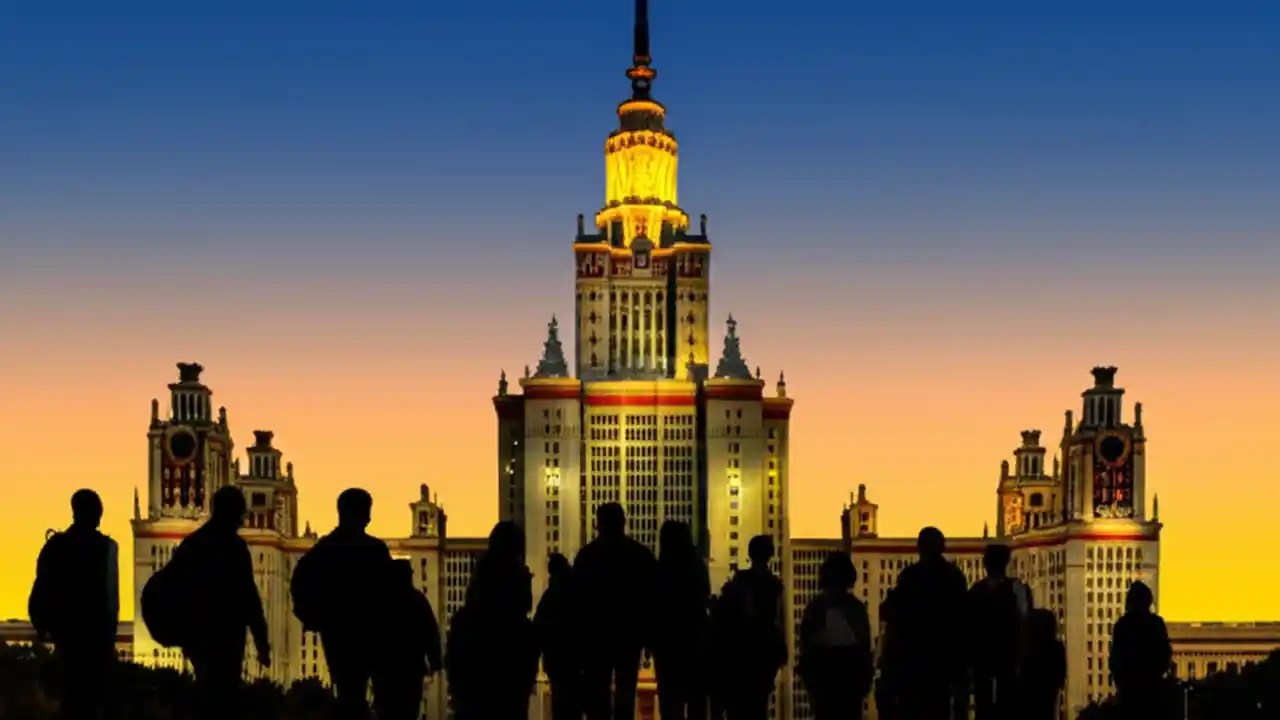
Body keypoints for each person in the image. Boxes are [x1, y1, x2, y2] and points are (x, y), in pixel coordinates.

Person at [290, 488, 393, 720]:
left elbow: (300, 582)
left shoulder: (325, 550)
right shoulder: (374, 551)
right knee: (356, 692)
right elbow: (391, 593)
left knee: (348, 689)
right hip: (365, 631)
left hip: (338, 631)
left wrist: (311, 616)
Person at [171, 486, 270, 720]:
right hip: (226, 638)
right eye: (239, 514)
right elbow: (250, 599)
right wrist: (262, 643)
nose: (241, 519)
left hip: (199, 640)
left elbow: (177, 591)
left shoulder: (192, 545)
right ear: (231, 513)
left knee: (207, 694)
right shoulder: (234, 548)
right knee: (224, 699)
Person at [28, 489, 120, 720]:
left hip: (68, 643)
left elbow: (40, 592)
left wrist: (44, 628)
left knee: (72, 704)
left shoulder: (57, 546)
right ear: (96, 513)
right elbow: (111, 604)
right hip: (96, 645)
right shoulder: (106, 548)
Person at [573, 503, 658, 720]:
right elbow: (651, 598)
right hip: (629, 635)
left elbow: (577, 599)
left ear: (598, 524)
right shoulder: (640, 555)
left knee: (598, 694)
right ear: (624, 523)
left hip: (596, 636)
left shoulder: (587, 556)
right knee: (625, 692)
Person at [447, 521, 538, 720]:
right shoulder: (518, 578)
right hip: (508, 692)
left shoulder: (469, 613)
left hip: (474, 694)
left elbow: (454, 661)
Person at [889, 527, 968, 720]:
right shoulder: (953, 577)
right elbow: (962, 620)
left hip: (914, 661)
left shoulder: (909, 577)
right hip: (942, 660)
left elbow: (896, 619)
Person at [714, 535, 786, 720]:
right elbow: (779, 622)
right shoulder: (774, 585)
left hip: (741, 656)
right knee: (757, 707)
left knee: (740, 708)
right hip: (763, 656)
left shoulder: (740, 582)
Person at [798, 553, 873, 720]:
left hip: (829, 678)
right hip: (843, 679)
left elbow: (806, 647)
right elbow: (864, 647)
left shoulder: (816, 608)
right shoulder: (854, 608)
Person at [653, 520, 711, 720]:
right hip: (695, 641)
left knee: (670, 703)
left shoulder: (661, 568)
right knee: (697, 700)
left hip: (667, 644)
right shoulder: (696, 565)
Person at [371, 559, 442, 720]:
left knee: (386, 713)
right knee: (408, 712)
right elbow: (431, 632)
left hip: (384, 671)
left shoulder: (380, 603)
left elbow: (369, 636)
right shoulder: (417, 601)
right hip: (410, 670)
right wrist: (435, 662)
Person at [967, 543, 1030, 720]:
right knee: (1004, 708)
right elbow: (1024, 622)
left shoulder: (976, 591)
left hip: (990, 660)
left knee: (988, 708)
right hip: (1003, 659)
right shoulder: (1016, 588)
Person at [1110, 581, 1172, 719]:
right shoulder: (1156, 624)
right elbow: (1165, 654)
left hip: (1131, 692)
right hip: (1151, 691)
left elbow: (1115, 659)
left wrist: (1121, 680)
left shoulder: (1122, 625)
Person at [534, 553, 581, 720]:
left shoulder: (550, 596)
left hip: (557, 661)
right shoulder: (578, 594)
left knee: (560, 705)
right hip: (576, 661)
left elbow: (539, 626)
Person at [1020, 608, 1065, 720]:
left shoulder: (1028, 651)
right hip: (1048, 698)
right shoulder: (1057, 648)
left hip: (1029, 701)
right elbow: (1061, 678)